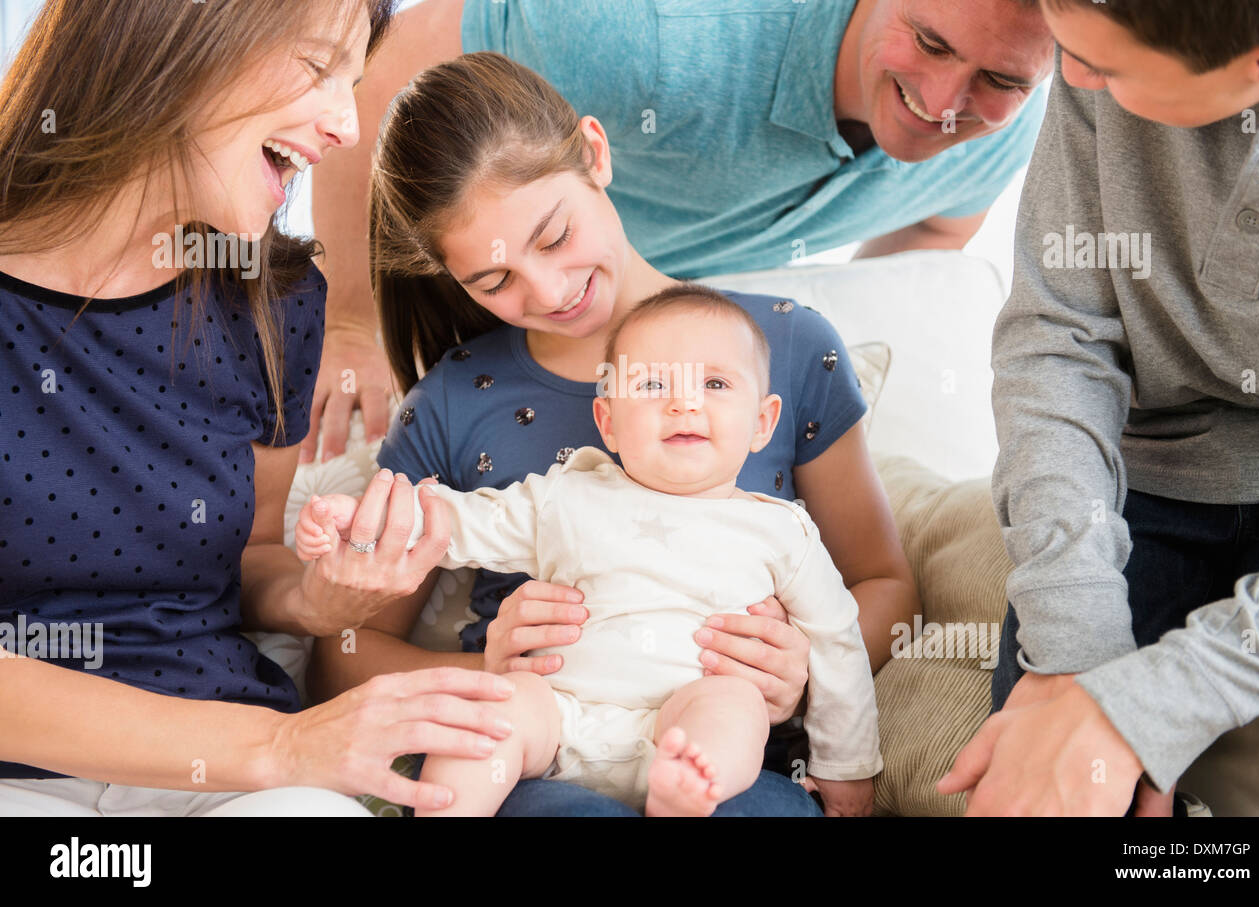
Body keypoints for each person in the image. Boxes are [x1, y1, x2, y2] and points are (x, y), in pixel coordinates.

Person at [306, 51, 917, 816]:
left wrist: (807, 667)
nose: (551, 290)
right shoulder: (454, 401)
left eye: (556, 235)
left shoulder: (786, 349)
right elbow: (342, 655)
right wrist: (487, 679)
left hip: (732, 766)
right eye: (494, 282)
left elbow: (884, 583)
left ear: (595, 154)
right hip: (538, 763)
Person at [0, 0, 517, 816]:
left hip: (229, 767)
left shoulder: (274, 300)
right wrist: (281, 744)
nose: (347, 126)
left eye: (352, 82)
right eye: (317, 67)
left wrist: (320, 594)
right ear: (172, 30)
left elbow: (237, 563)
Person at [303, 0, 1057, 467]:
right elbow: (371, 78)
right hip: (448, 322)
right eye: (928, 41)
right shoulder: (647, 12)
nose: (942, 103)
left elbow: (936, 226)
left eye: (1000, 78)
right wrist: (346, 323)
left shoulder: (1007, 134)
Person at [938, 0, 1259, 816]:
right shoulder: (1104, 35)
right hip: (1144, 476)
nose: (1071, 77)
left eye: (1107, 67)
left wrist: (1140, 707)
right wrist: (1075, 646)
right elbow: (1057, 339)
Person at [297, 286, 882, 816]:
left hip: (685, 720)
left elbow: (838, 640)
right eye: (652, 385)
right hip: (558, 715)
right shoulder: (568, 494)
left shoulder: (782, 532)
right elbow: (459, 521)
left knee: (734, 707)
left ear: (762, 422)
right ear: (608, 422)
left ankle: (683, 795)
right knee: (497, 709)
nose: (684, 404)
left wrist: (844, 767)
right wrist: (362, 521)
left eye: (715, 384)